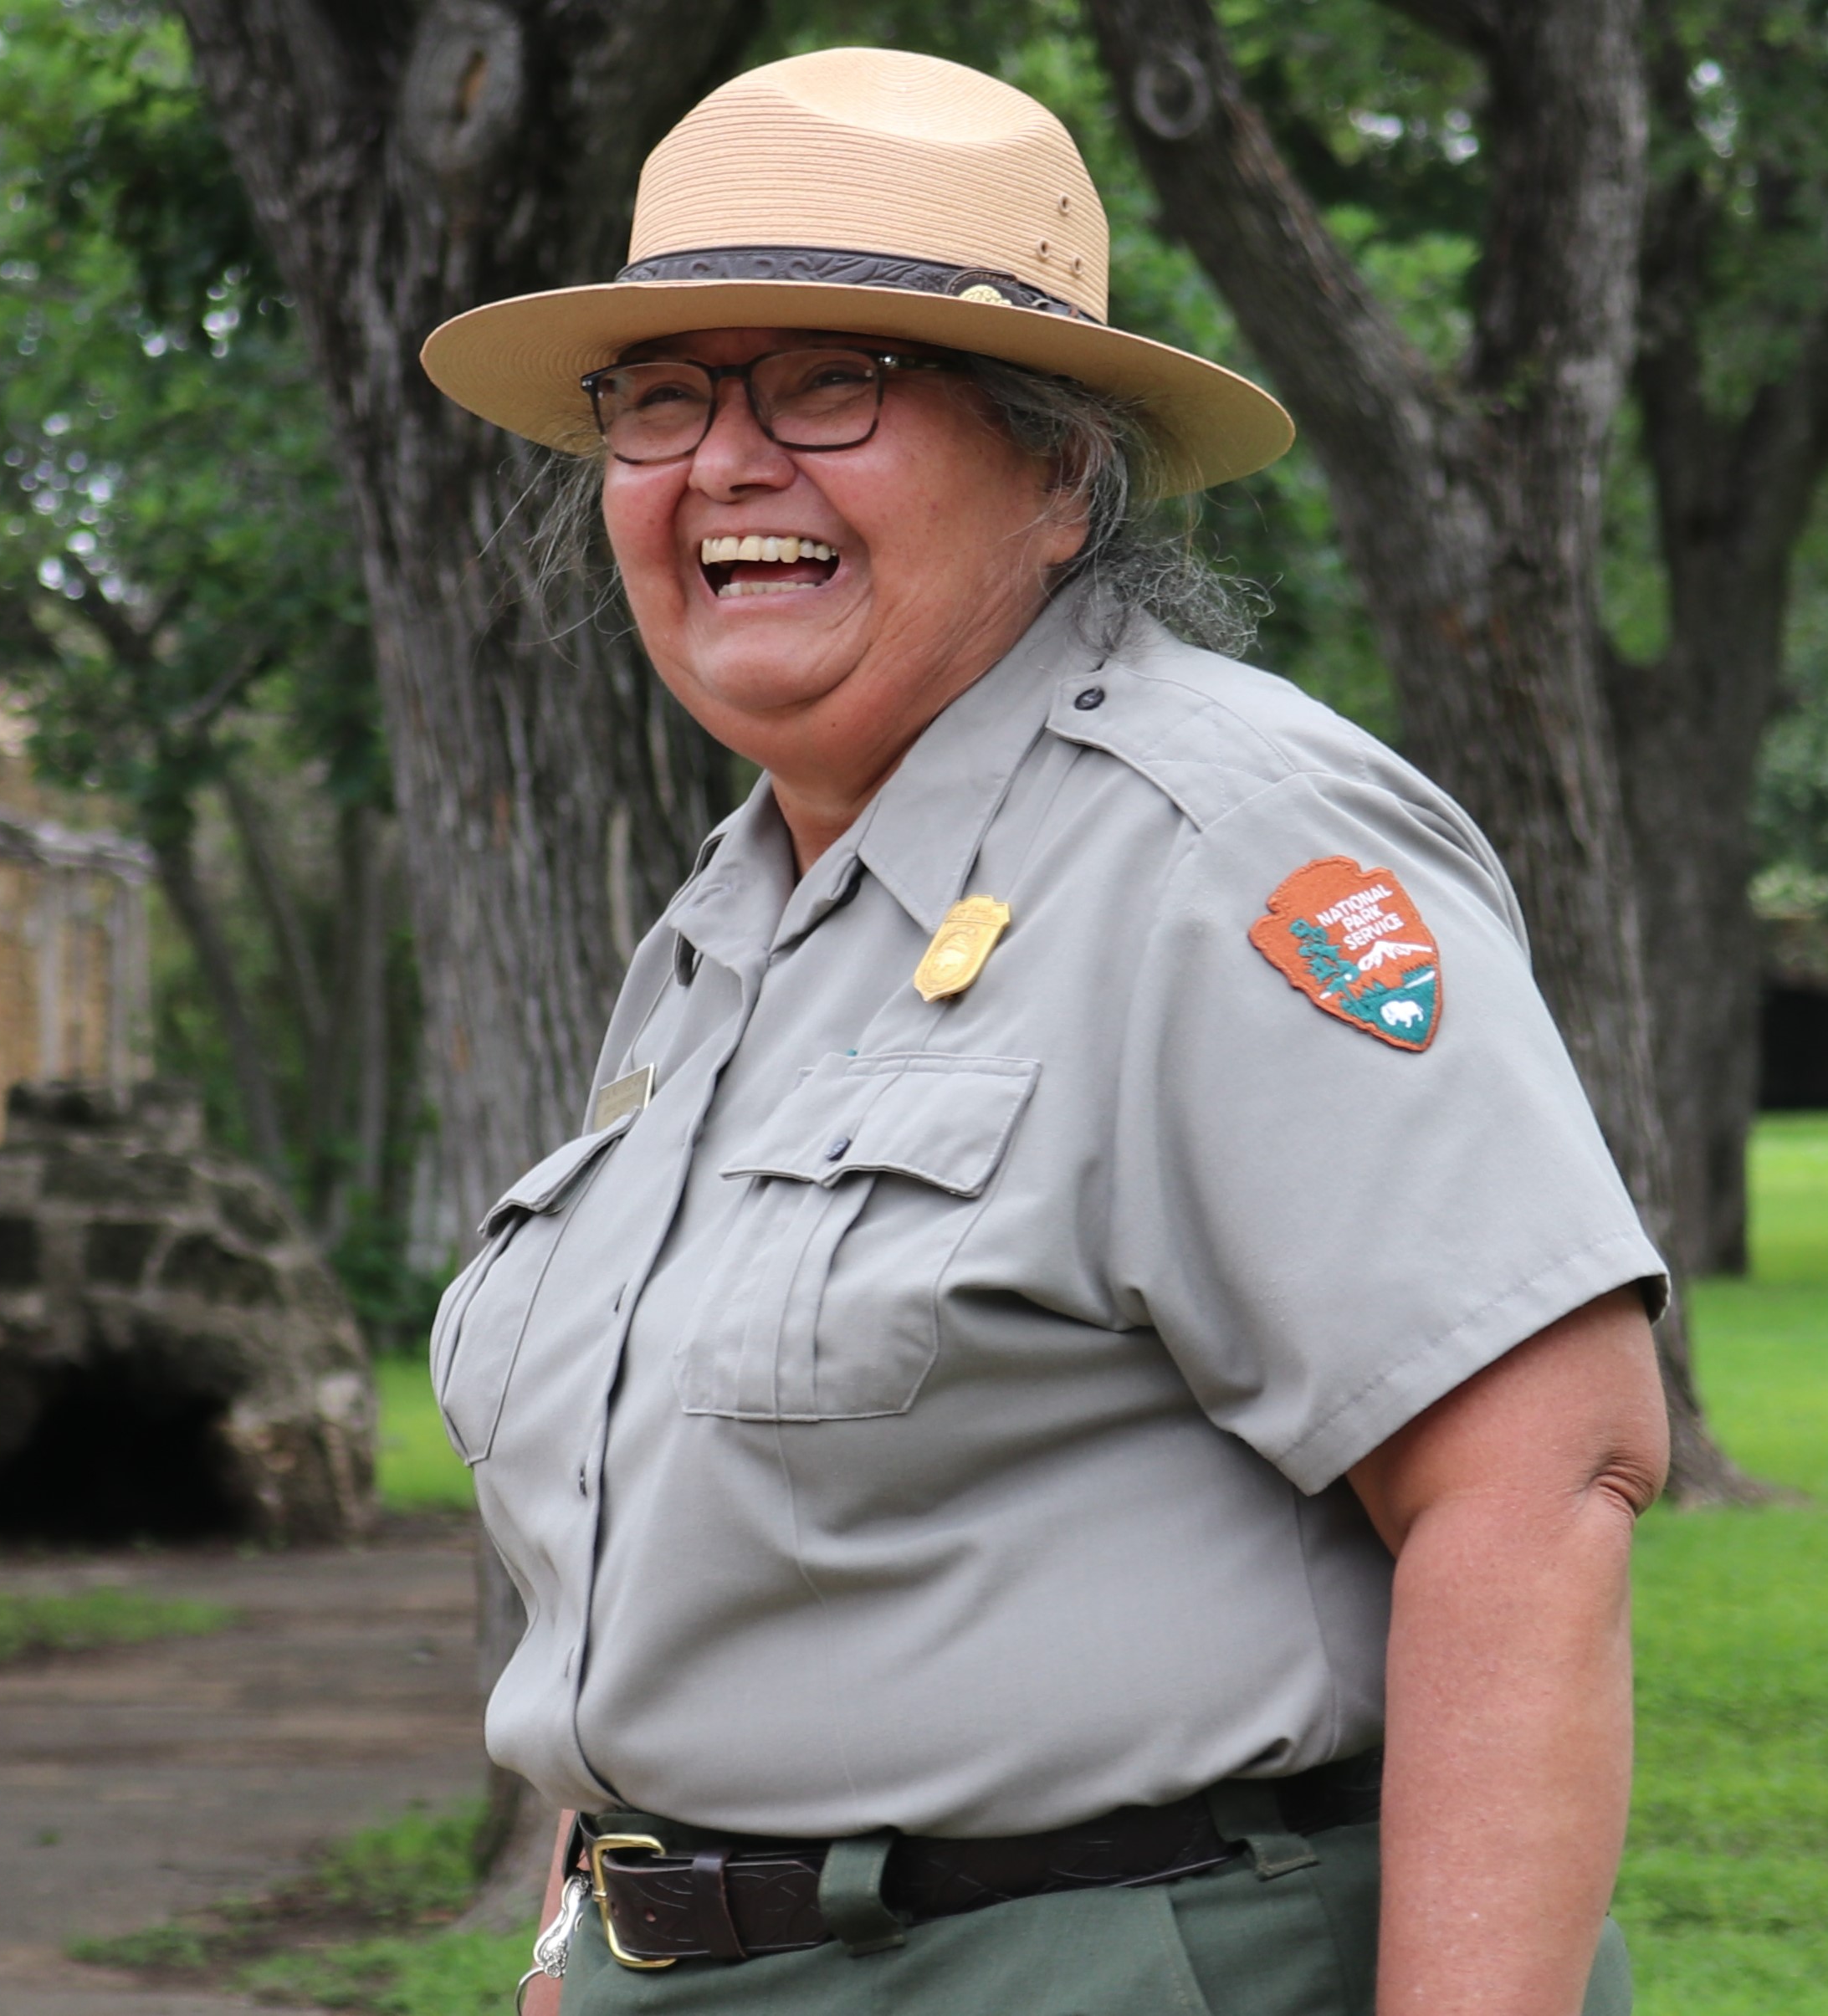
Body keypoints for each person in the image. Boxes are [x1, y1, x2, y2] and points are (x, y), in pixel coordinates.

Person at [412, 47, 1668, 2016]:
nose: (728, 462)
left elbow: (1538, 1481)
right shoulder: (729, 922)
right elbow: (679, 1553)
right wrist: (591, 1932)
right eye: (664, 397)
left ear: (1060, 470)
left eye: (831, 382)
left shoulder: (1225, 843)